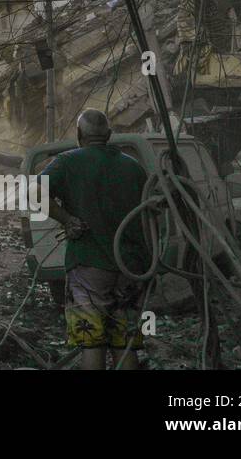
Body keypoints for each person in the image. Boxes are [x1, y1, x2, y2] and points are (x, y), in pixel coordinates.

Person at [41, 109, 150, 370]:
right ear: (109, 135)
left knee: (92, 342)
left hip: (89, 265)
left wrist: (67, 219)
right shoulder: (133, 167)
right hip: (131, 266)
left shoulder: (67, 162)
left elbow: (35, 194)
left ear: (79, 135)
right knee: (125, 342)